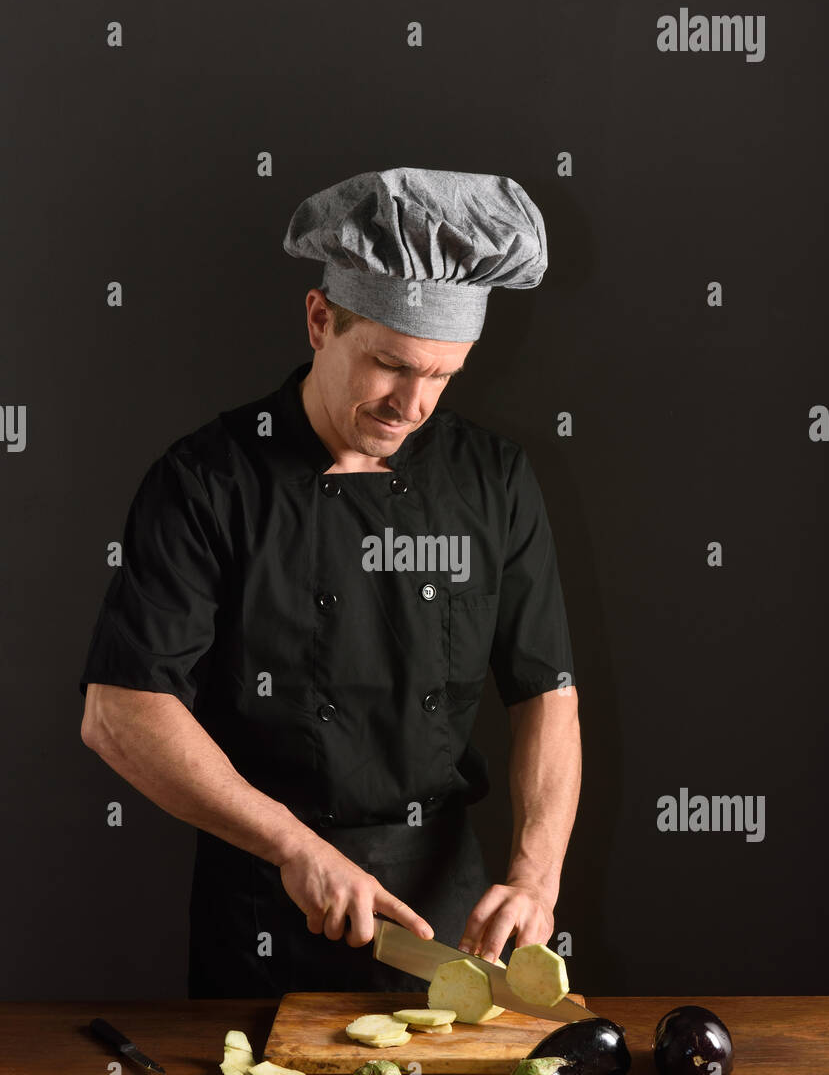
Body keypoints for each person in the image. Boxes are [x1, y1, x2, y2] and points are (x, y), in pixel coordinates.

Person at [79, 167, 582, 998]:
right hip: (268, 902)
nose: (412, 405)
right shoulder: (208, 481)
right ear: (320, 320)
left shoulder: (493, 480)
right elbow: (120, 711)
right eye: (389, 365)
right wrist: (292, 846)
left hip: (450, 913)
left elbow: (546, 692)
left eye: (442, 375)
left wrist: (535, 876)